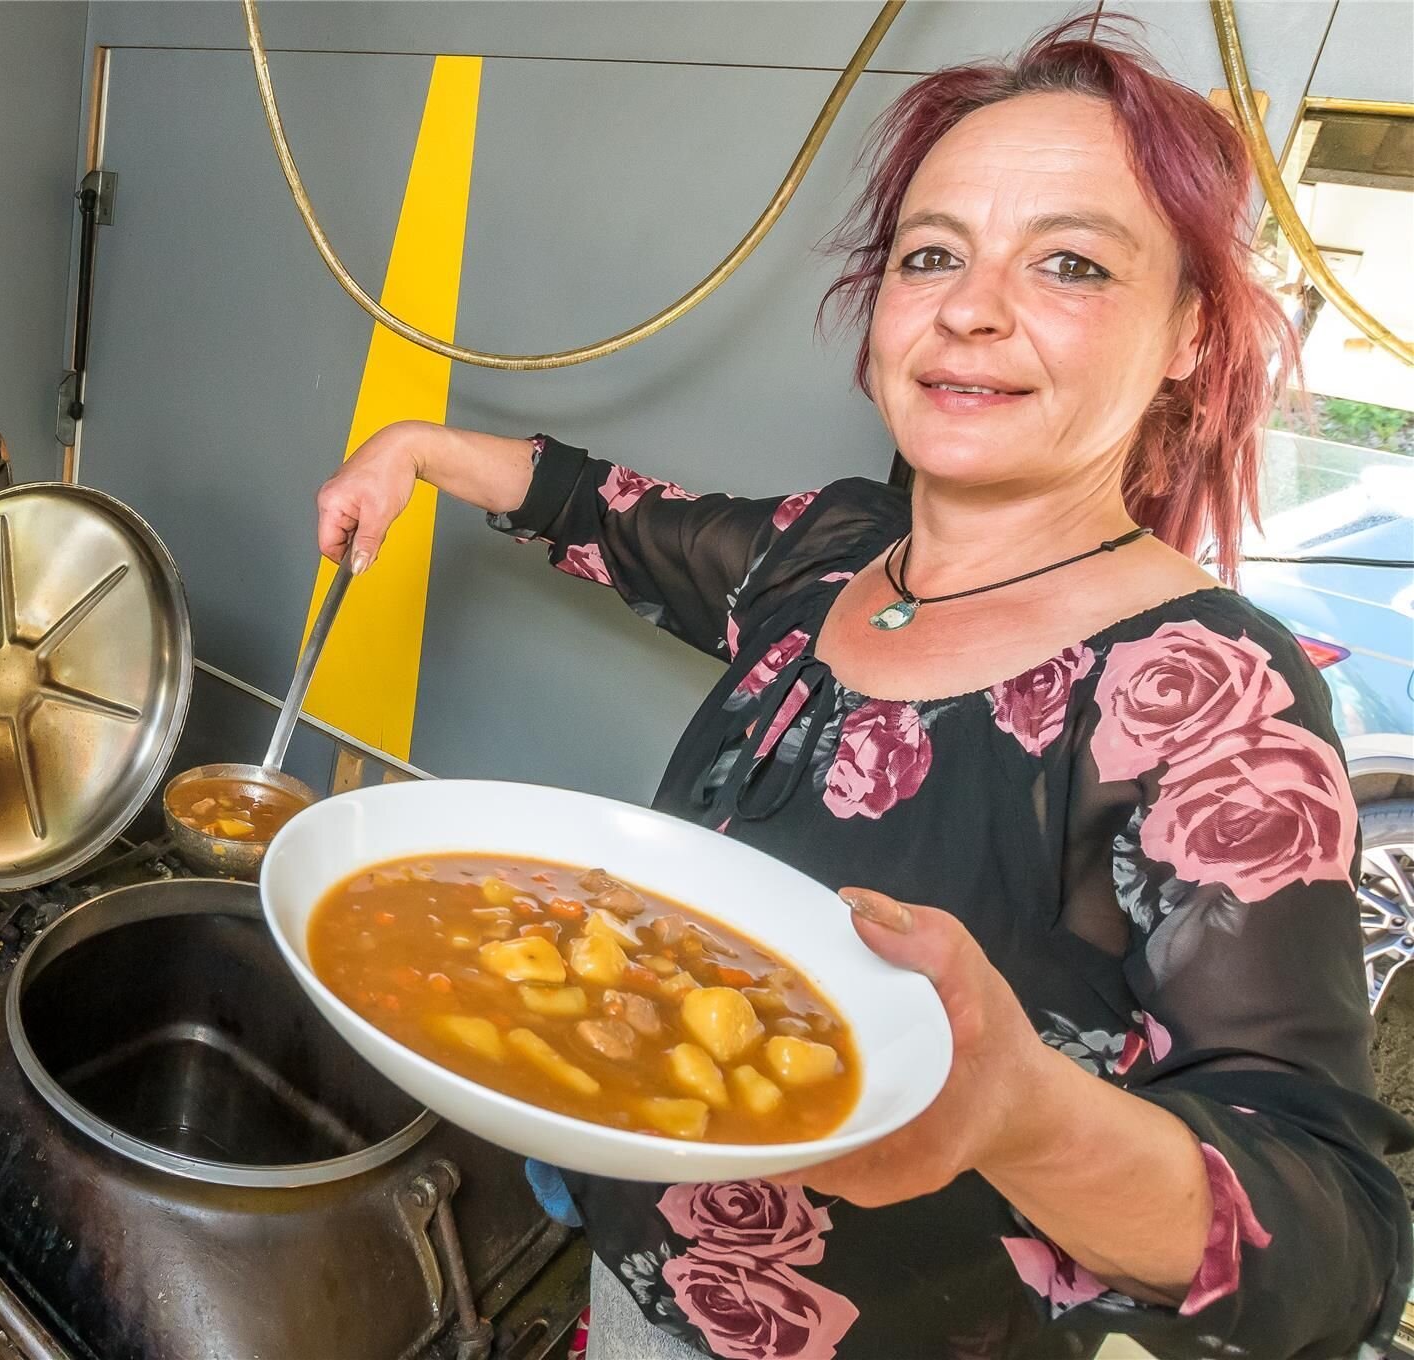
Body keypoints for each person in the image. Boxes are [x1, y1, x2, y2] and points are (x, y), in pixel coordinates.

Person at [312, 18, 1410, 1359]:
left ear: (1189, 330)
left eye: (1068, 263)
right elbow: (597, 509)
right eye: (931, 254)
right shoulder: (830, 551)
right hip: (637, 1288)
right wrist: (407, 449)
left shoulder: (1207, 693)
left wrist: (1023, 1113)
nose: (971, 307)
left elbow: (1339, 1242)